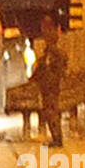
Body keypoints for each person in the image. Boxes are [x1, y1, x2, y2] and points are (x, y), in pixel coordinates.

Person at [31, 13, 68, 148]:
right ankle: (56, 137)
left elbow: (55, 64)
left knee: (51, 111)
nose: (43, 29)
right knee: (49, 110)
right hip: (48, 84)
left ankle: (57, 138)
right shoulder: (49, 47)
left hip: (51, 84)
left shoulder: (53, 47)